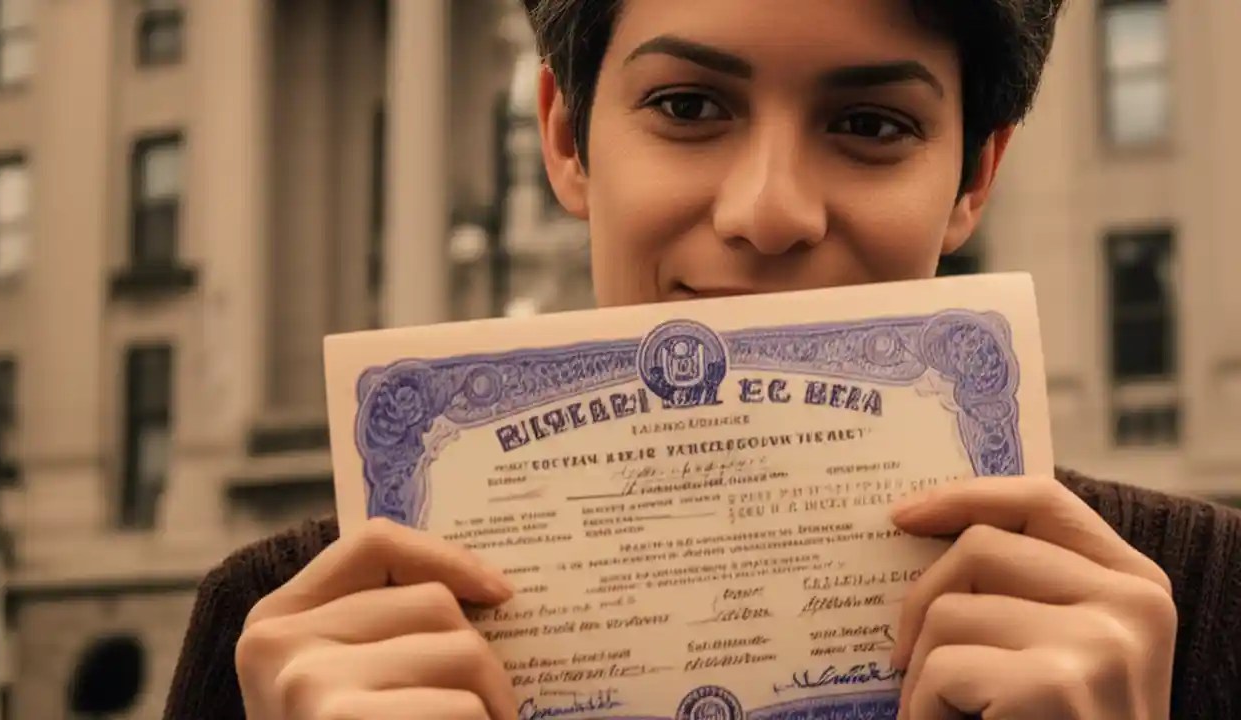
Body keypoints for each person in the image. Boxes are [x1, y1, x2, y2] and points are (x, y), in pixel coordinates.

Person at [164, 1, 1241, 718]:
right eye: (687, 107)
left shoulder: (1200, 607)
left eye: (869, 123)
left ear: (972, 178)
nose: (766, 212)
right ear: (566, 137)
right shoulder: (282, 646)